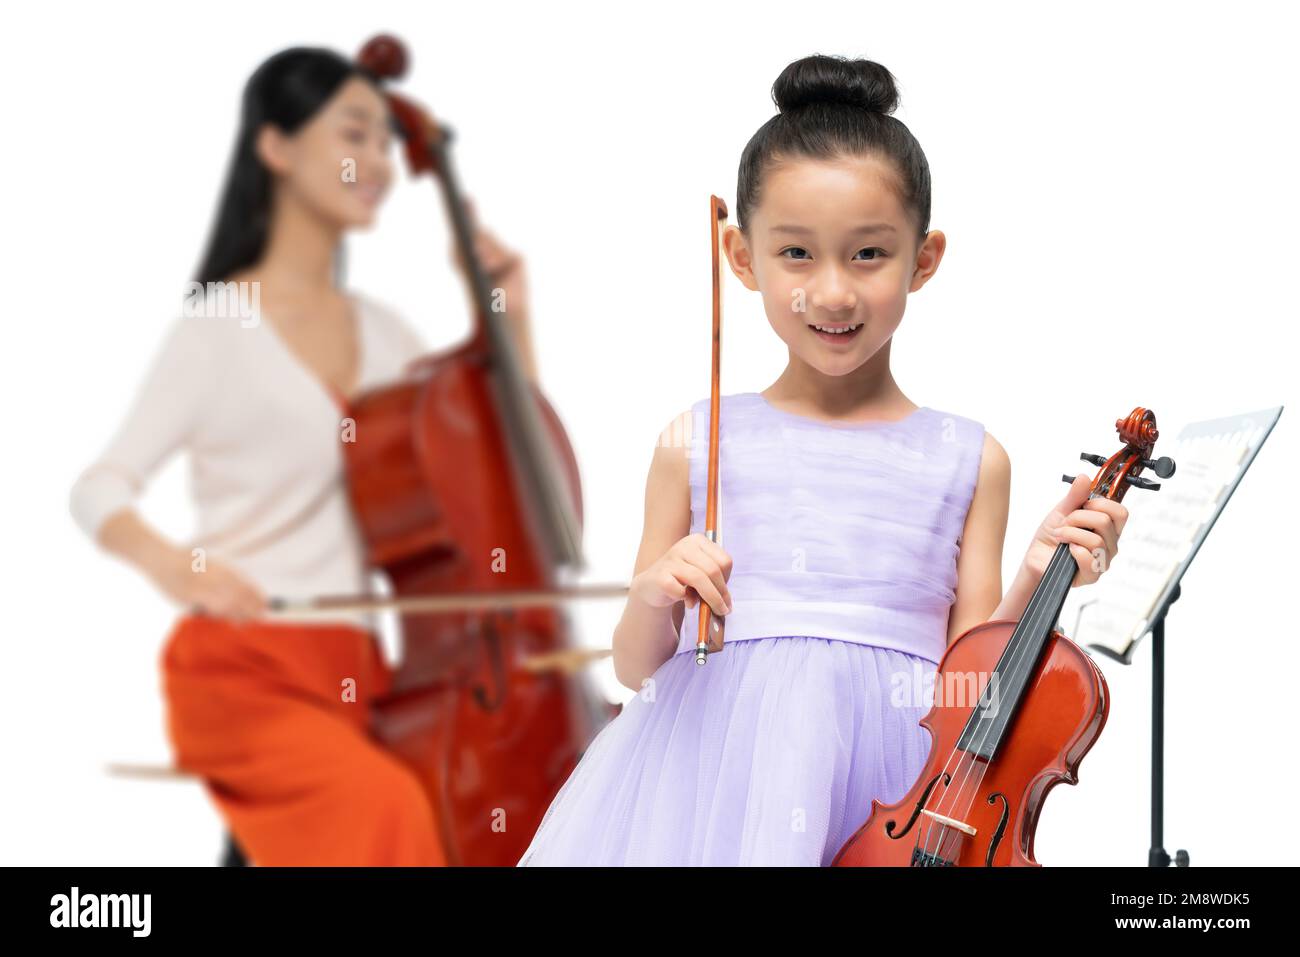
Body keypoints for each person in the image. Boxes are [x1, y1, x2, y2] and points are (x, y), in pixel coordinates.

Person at [517, 53, 1127, 866]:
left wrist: (1036, 574)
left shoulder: (970, 457)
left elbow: (967, 679)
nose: (833, 293)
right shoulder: (692, 440)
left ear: (925, 257)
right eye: (796, 254)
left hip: (893, 783)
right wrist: (655, 592)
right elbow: (635, 669)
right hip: (712, 784)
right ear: (740, 256)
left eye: (869, 254)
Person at [68, 46, 535, 865]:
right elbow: (99, 486)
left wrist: (504, 311)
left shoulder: (388, 338)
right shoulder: (216, 328)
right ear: (276, 147)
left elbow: (508, 466)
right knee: (388, 811)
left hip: (361, 679)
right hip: (244, 672)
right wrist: (179, 565)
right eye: (355, 133)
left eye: (389, 141)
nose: (382, 162)